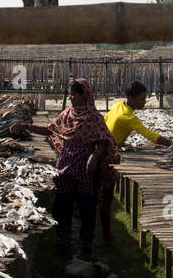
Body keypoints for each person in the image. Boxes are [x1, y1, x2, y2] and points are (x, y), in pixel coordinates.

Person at [16, 78, 115, 261]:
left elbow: (103, 141)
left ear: (84, 95)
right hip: (66, 165)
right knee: (62, 206)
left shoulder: (94, 117)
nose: (71, 98)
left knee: (87, 208)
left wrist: (94, 155)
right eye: (70, 94)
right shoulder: (67, 114)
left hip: (86, 169)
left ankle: (86, 248)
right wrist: (26, 126)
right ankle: (64, 244)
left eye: (73, 94)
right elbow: (50, 130)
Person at [99, 81, 163, 244]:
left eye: (145, 99)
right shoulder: (128, 116)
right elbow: (150, 135)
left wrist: (118, 142)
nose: (143, 103)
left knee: (102, 194)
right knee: (106, 197)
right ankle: (107, 236)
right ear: (131, 98)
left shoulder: (118, 106)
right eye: (141, 100)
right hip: (105, 155)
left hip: (102, 148)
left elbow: (105, 123)